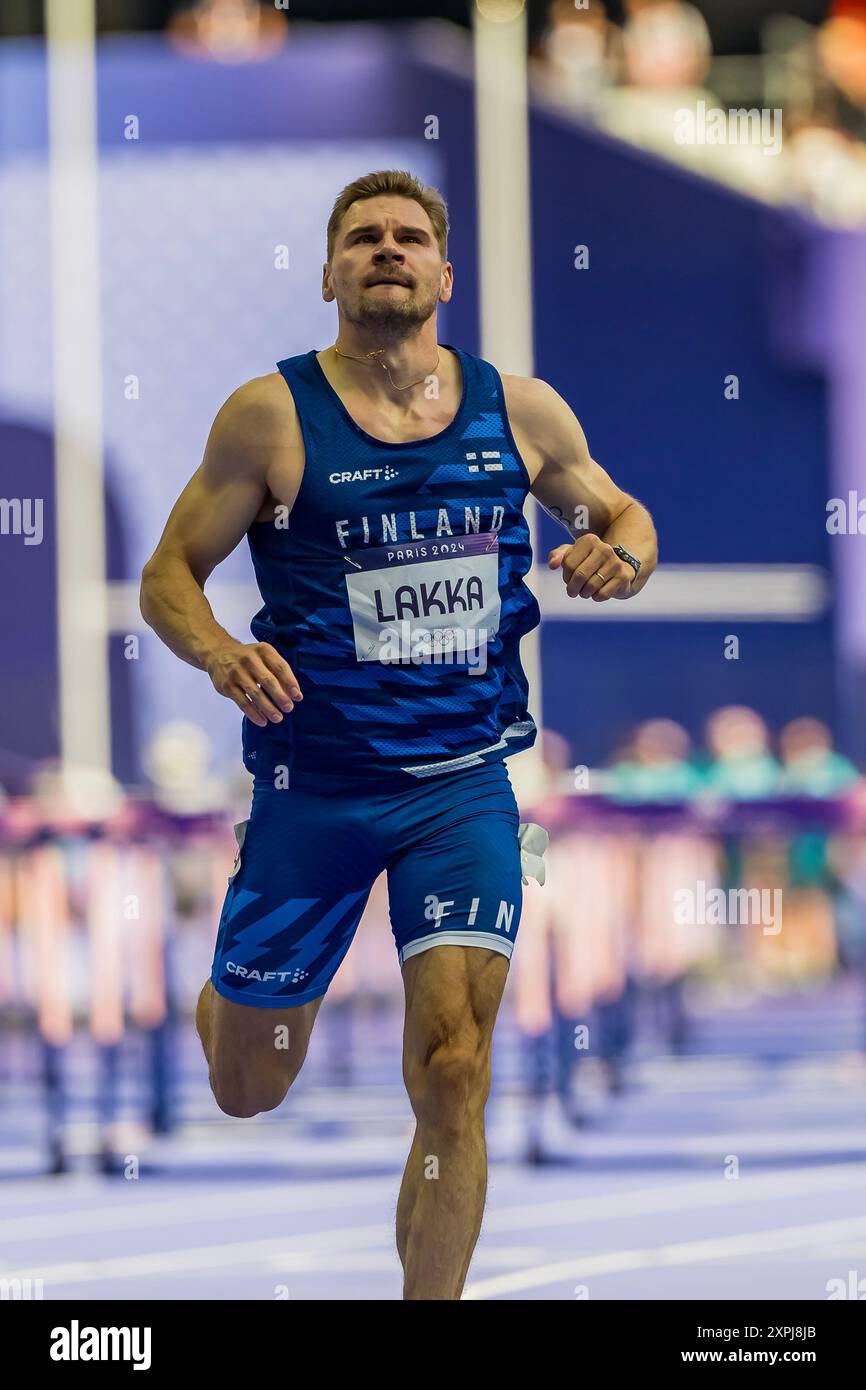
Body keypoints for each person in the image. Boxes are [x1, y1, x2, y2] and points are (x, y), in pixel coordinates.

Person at [139, 168, 657, 1300]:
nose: (386, 250)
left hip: (461, 785)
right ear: (328, 273)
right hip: (313, 786)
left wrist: (618, 554)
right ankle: (234, 995)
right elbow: (168, 574)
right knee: (247, 1084)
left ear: (442, 274)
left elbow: (620, 514)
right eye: (362, 238)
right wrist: (221, 653)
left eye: (408, 238)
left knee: (455, 1067)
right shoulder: (269, 416)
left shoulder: (517, 411)